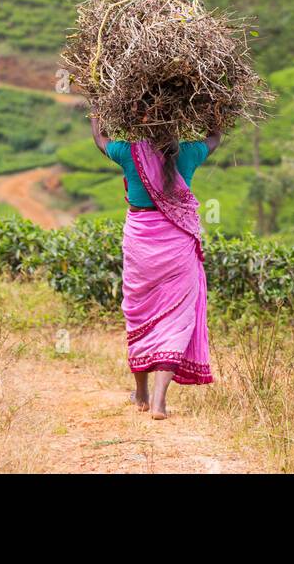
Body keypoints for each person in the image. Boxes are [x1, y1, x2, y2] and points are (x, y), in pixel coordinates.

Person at [91, 113, 220, 419]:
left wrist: (95, 105)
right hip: (176, 244)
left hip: (141, 243)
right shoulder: (187, 152)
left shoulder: (129, 151)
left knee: (139, 312)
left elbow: (101, 139)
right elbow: (215, 138)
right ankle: (159, 401)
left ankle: (141, 394)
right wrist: (216, 109)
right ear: (176, 127)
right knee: (175, 319)